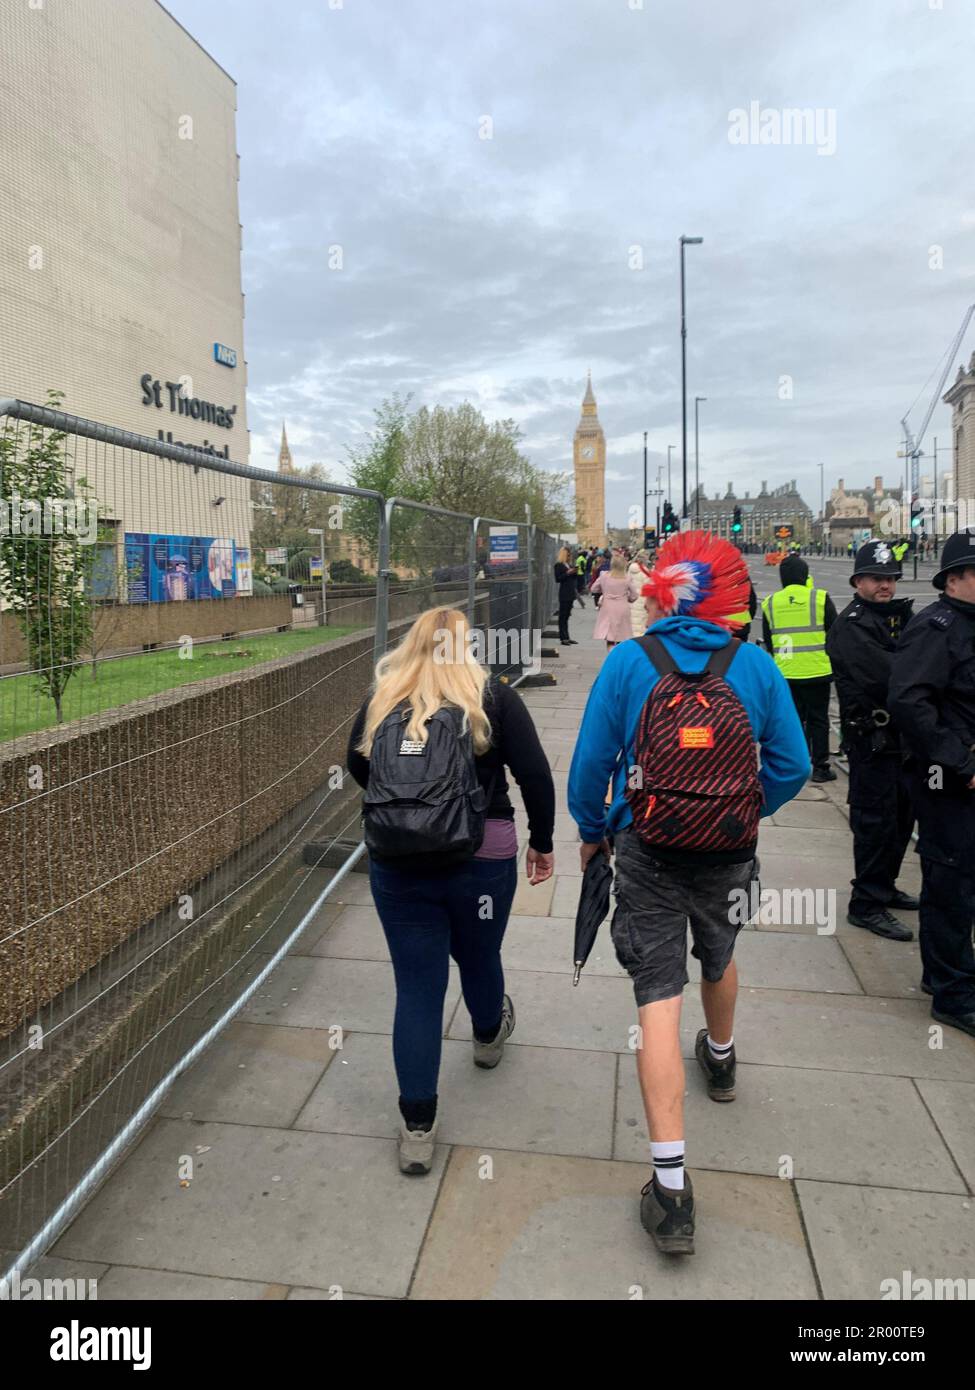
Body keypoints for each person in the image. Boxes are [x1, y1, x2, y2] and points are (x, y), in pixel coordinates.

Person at [568, 533, 809, 1255]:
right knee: (719, 949)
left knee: (655, 996)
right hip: (728, 853)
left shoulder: (627, 666)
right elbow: (792, 766)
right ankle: (724, 1055)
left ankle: (671, 1191)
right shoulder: (757, 667)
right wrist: (740, 808)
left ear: (664, 590)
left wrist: (593, 828)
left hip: (645, 848)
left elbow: (590, 764)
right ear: (732, 594)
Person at [346, 607, 556, 1173]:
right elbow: (535, 773)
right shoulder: (492, 698)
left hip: (398, 860)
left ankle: (417, 1127)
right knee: (480, 952)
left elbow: (356, 766)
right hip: (482, 851)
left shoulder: (383, 698)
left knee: (416, 987)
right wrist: (542, 841)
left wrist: (409, 812)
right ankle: (488, 1035)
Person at [888, 530, 975, 1039]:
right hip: (949, 781)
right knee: (951, 885)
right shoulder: (935, 628)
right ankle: (951, 993)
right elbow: (909, 703)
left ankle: (948, 970)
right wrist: (960, 759)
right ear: (955, 579)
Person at [826, 540, 916, 942]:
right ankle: (866, 903)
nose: (886, 586)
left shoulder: (896, 617)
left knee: (901, 820)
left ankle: (885, 885)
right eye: (878, 578)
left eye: (891, 579)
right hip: (872, 741)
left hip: (901, 741)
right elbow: (890, 678)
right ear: (858, 580)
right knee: (875, 823)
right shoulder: (853, 625)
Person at [761, 554, 838, 782]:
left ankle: (799, 763)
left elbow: (769, 641)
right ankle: (820, 767)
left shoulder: (770, 603)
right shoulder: (820, 599)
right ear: (805, 576)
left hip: (787, 673)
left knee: (794, 720)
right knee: (819, 720)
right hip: (818, 670)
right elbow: (835, 634)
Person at [591, 552, 638, 648]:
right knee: (622, 635)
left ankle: (611, 656)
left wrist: (604, 591)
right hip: (622, 607)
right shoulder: (627, 578)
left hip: (607, 607)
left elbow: (594, 589)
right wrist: (627, 598)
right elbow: (634, 595)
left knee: (610, 637)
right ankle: (619, 657)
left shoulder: (604, 576)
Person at [554, 546, 578, 645]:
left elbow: (573, 578)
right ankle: (563, 637)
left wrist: (574, 572)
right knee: (563, 616)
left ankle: (567, 636)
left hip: (570, 592)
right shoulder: (558, 565)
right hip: (564, 593)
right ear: (564, 554)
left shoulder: (568, 564)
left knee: (567, 615)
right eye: (568, 554)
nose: (569, 556)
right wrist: (568, 573)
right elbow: (558, 579)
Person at [627, 550, 654, 638]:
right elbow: (649, 585)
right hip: (642, 599)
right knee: (640, 622)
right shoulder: (645, 572)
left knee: (633, 621)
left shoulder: (631, 568)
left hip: (632, 598)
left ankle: (632, 638)